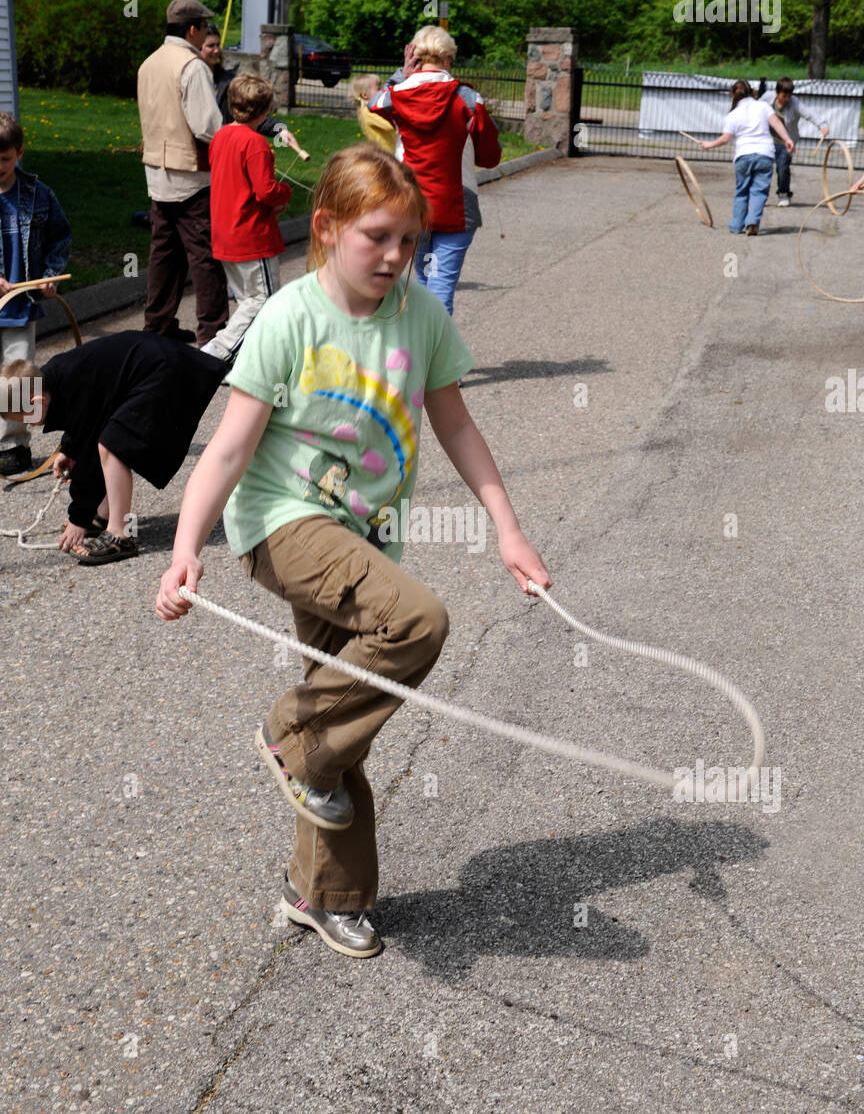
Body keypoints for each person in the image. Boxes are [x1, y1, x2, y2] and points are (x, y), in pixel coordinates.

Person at [155, 143, 550, 959]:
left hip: (363, 538)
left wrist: (507, 529)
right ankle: (290, 736)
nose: (398, 255)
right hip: (282, 524)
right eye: (378, 236)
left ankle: (318, 891)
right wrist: (184, 547)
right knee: (418, 623)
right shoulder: (290, 317)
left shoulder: (421, 316)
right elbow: (227, 451)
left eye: (410, 239)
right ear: (329, 228)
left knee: (345, 727)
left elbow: (456, 424)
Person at [0, 332, 226, 563]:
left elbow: (90, 449)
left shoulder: (69, 382)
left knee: (111, 446)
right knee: (109, 439)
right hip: (150, 367)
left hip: (164, 371)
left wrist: (78, 518)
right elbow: (84, 420)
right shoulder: (52, 379)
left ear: (37, 402)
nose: (30, 425)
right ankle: (104, 515)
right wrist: (68, 450)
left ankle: (121, 536)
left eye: (27, 419)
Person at [369, 25, 501, 316]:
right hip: (456, 207)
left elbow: (373, 103)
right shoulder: (468, 99)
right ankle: (433, 359)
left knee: (425, 282)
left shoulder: (397, 95)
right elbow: (491, 157)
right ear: (449, 58)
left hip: (410, 206)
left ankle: (421, 356)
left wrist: (402, 74)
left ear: (415, 56)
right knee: (440, 289)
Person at [137, 0, 228, 347]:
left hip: (157, 174)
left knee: (163, 254)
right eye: (204, 27)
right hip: (192, 175)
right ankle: (214, 335)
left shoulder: (148, 64)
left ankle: (157, 326)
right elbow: (207, 125)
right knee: (204, 257)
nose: (206, 32)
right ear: (192, 29)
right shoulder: (192, 67)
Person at [200, 74, 303, 366]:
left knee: (246, 300)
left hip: (225, 232)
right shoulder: (256, 143)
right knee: (263, 300)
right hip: (251, 236)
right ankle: (216, 354)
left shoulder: (220, 136)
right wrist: (285, 192)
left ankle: (248, 358)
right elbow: (266, 190)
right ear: (264, 110)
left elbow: (240, 184)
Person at [0, 112, 71, 477]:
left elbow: (61, 237)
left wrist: (49, 276)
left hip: (19, 307)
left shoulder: (37, 193)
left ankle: (14, 445)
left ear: (20, 153)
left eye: (5, 159)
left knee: (18, 373)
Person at [698, 80, 794, 235]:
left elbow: (725, 139)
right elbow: (776, 123)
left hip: (743, 155)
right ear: (750, 91)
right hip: (765, 154)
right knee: (759, 191)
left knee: (742, 191)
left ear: (733, 95)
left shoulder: (733, 114)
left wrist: (709, 145)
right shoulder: (763, 106)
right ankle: (752, 222)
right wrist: (788, 139)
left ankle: (736, 226)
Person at [200, 25, 284, 138]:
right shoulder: (191, 79)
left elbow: (251, 112)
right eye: (211, 46)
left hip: (224, 144)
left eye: (218, 45)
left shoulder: (228, 81)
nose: (216, 50)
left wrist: (280, 129)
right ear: (198, 48)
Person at [759, 77, 829, 206]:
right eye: (784, 95)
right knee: (764, 167)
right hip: (767, 139)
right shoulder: (767, 98)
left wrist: (823, 125)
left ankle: (784, 194)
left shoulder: (795, 103)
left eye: (789, 96)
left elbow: (810, 114)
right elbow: (755, 109)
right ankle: (760, 196)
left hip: (786, 142)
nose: (787, 99)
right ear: (776, 92)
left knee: (783, 167)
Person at [348, 74, 398, 154]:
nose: (382, 91)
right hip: (385, 152)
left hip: (389, 151)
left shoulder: (368, 111)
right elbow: (389, 126)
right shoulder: (368, 112)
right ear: (364, 95)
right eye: (378, 89)